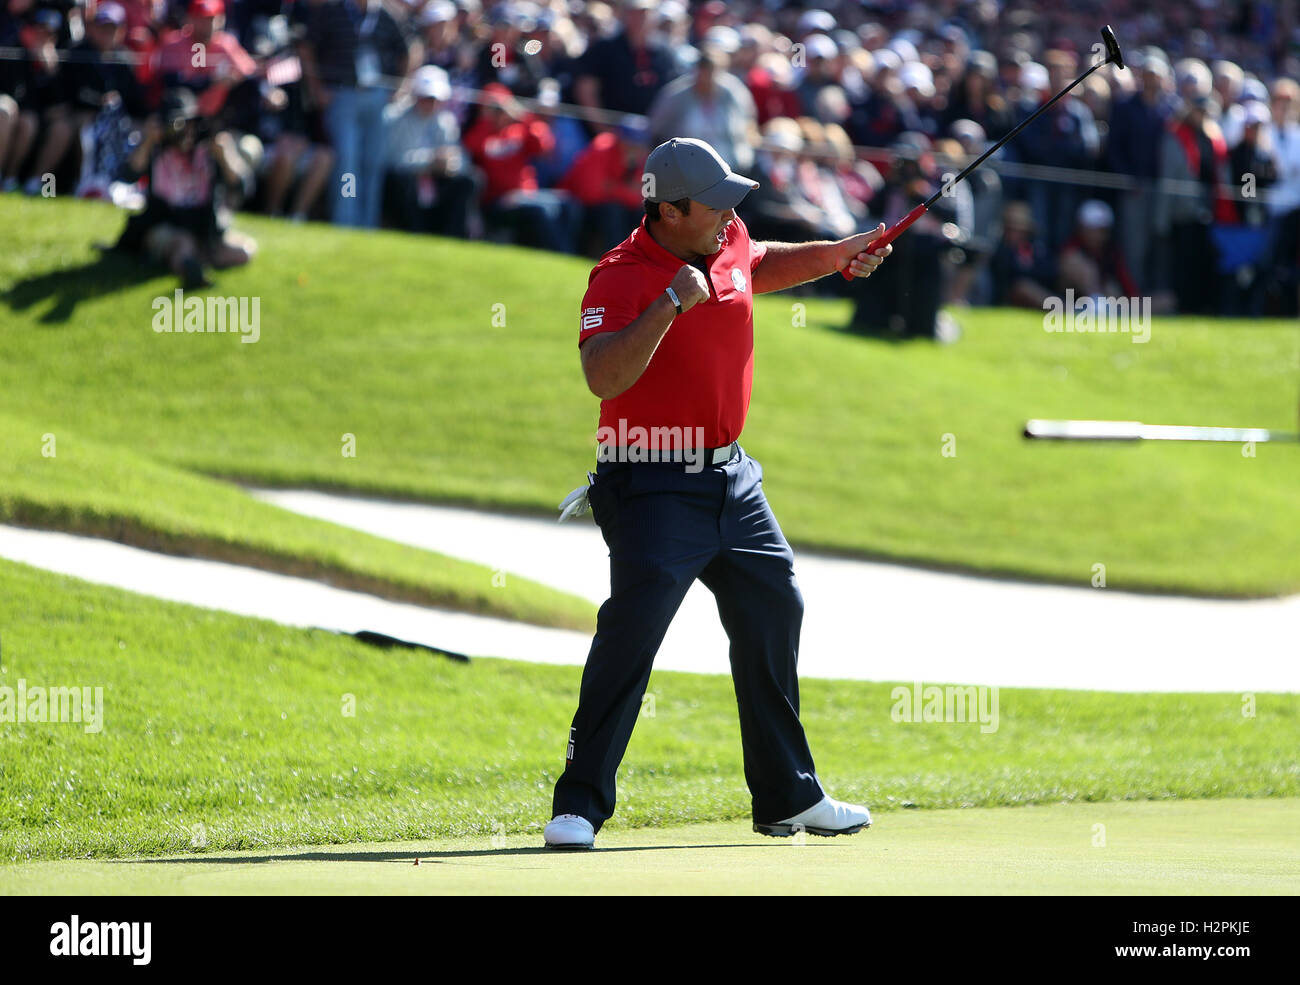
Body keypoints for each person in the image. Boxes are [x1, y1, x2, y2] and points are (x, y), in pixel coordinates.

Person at [544, 136, 891, 850]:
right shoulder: (620, 274)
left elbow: (758, 262)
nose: (731, 212)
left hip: (731, 475)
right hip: (650, 478)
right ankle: (578, 804)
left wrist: (835, 254)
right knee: (633, 633)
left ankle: (788, 796)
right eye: (713, 202)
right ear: (668, 211)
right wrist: (671, 303)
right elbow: (603, 378)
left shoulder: (726, 234)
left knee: (775, 602)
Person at [113, 87, 256, 288]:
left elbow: (243, 188)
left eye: (189, 123)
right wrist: (148, 141)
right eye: (177, 124)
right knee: (183, 243)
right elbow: (128, 175)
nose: (185, 131)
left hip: (203, 228)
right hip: (164, 225)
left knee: (244, 252)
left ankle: (193, 260)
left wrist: (226, 157)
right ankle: (190, 272)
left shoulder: (209, 148)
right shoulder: (155, 148)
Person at [298, 0, 417, 227]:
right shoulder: (332, 11)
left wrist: (401, 87)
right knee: (347, 159)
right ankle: (345, 220)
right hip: (342, 93)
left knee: (373, 162)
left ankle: (367, 223)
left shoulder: (386, 14)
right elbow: (307, 48)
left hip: (377, 96)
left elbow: (408, 49)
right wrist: (316, 88)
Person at [382, 64, 475, 236]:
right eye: (427, 98)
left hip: (435, 179)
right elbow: (394, 160)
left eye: (435, 99)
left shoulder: (446, 121)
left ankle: (452, 236)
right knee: (403, 183)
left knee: (466, 182)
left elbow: (461, 158)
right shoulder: (396, 117)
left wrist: (451, 163)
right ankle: (413, 231)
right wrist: (430, 161)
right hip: (405, 183)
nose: (431, 104)